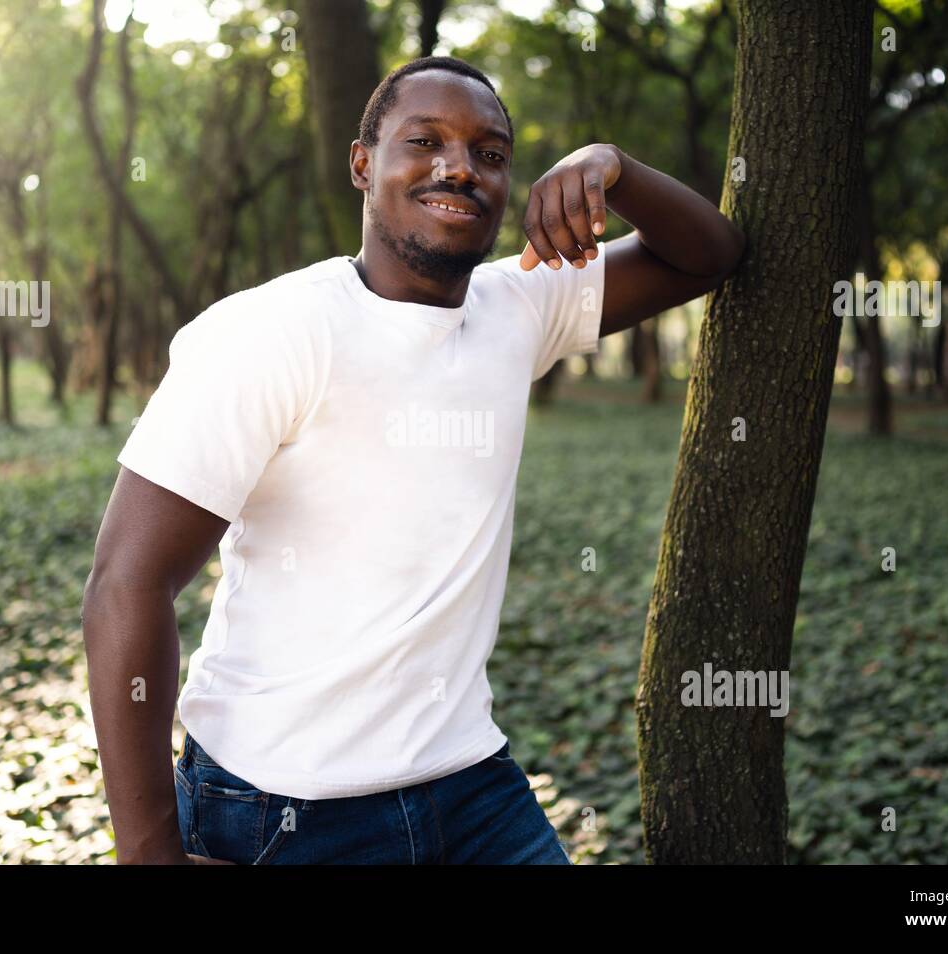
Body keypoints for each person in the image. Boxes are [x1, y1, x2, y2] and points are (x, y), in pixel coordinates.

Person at [81, 54, 744, 865]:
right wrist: (148, 856)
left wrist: (613, 167)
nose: (459, 167)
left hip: (470, 786)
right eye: (424, 141)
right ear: (364, 164)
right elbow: (126, 583)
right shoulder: (271, 334)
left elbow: (707, 254)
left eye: (490, 154)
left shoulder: (518, 305)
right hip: (282, 803)